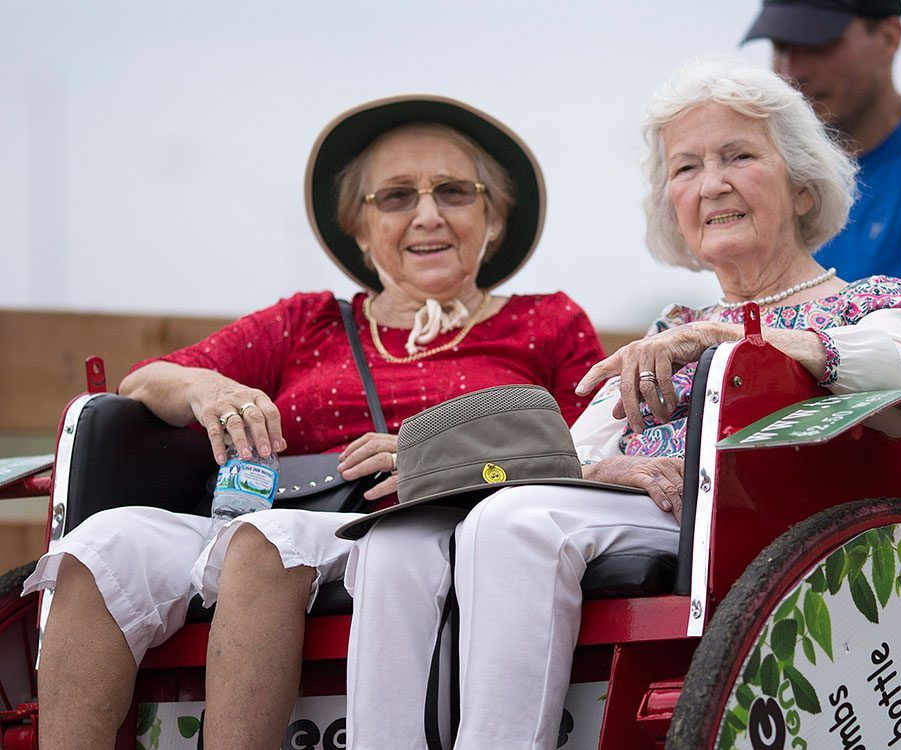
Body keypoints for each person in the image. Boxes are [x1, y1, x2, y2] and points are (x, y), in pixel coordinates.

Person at [341, 59, 901, 750]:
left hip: (763, 528)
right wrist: (557, 467)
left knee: (516, 522)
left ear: (803, 189)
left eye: (738, 156)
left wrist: (735, 336)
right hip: (647, 513)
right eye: (685, 169)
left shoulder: (875, 303)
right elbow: (578, 451)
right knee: (407, 536)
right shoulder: (670, 330)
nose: (710, 183)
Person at [21, 95, 605, 750]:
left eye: (454, 192)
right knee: (103, 544)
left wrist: (444, 452)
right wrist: (208, 388)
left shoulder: (548, 322)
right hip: (271, 507)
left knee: (268, 542)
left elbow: (583, 453)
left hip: (421, 526)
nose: (428, 215)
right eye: (395, 198)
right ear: (359, 228)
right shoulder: (309, 320)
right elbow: (145, 380)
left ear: (493, 217)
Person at [743, 0, 901, 370]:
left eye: (818, 45)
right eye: (781, 47)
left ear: (888, 38)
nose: (792, 70)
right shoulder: (785, 181)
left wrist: (851, 379)